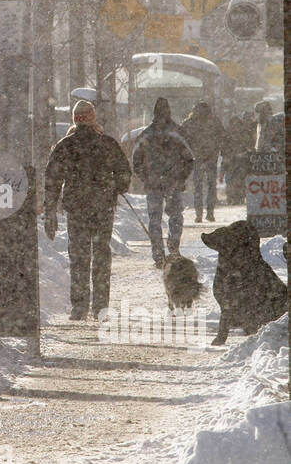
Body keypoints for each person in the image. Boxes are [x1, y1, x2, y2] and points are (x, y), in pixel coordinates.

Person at [43, 99, 131, 321]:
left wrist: (51, 209)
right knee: (101, 254)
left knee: (79, 257)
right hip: (102, 208)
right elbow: (124, 172)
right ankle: (101, 308)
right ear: (93, 118)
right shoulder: (107, 143)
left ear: (75, 119)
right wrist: (117, 187)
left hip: (77, 209)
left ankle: (79, 306)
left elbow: (52, 179)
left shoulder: (65, 145)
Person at [132, 97, 195, 267]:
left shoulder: (146, 134)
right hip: (173, 182)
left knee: (154, 219)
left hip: (153, 184)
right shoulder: (177, 133)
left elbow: (136, 160)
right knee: (175, 216)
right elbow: (189, 158)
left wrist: (145, 178)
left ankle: (158, 253)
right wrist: (181, 178)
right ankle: (173, 249)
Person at [179, 101, 225, 223]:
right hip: (210, 158)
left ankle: (199, 214)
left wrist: (188, 153)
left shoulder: (189, 122)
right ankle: (210, 212)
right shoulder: (214, 122)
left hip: (197, 158)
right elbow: (222, 136)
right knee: (210, 187)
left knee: (198, 187)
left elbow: (182, 139)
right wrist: (216, 149)